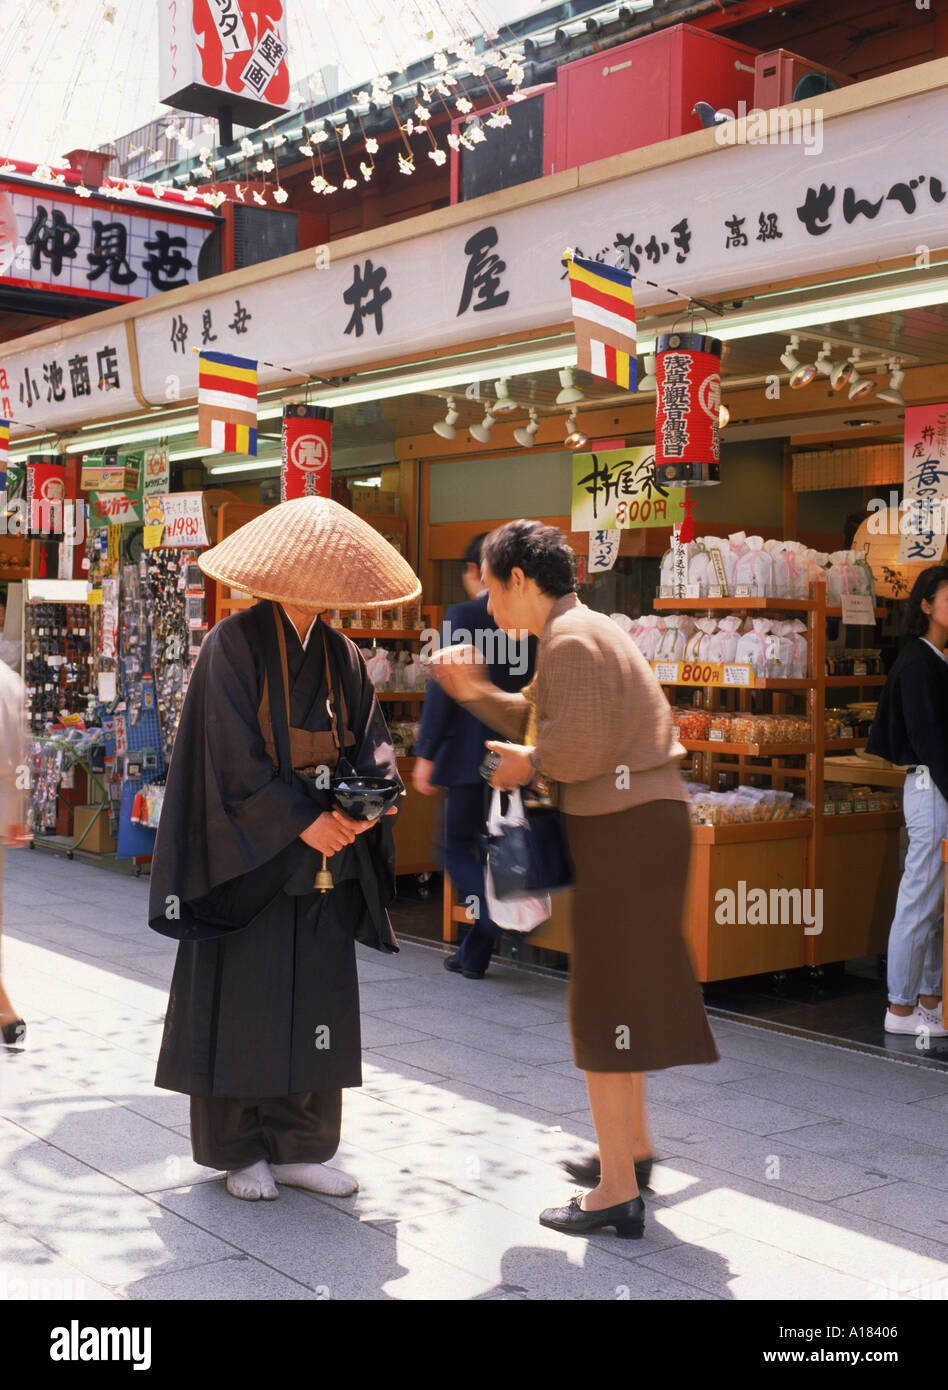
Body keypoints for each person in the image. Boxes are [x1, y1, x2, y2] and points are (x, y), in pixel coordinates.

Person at [430, 520, 718, 1240]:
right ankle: (634, 1152)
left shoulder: (572, 639)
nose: (491, 609)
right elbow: (539, 719)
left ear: (521, 581)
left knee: (600, 1004)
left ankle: (617, 1190)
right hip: (638, 825)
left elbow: (569, 747)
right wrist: (472, 692)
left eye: (493, 590)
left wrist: (524, 763)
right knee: (621, 994)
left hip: (626, 831)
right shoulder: (580, 630)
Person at [149, 496, 420, 1201]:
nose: (317, 591)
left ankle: (303, 1142)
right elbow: (228, 755)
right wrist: (303, 820)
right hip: (251, 856)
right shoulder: (229, 646)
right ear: (275, 577)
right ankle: (240, 1149)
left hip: (325, 857)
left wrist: (364, 808)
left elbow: (374, 744)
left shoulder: (342, 655)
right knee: (248, 996)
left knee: (317, 997)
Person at [413, 533, 536, 979]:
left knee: (453, 846)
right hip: (514, 752)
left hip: (469, 756)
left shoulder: (464, 614)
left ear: (476, 572)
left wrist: (426, 752)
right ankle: (474, 953)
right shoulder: (530, 619)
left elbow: (444, 684)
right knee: (497, 844)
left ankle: (487, 916)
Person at [867, 564, 948, 1040]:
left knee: (935, 902)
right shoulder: (919, 662)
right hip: (930, 788)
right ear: (925, 606)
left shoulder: (933, 657)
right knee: (921, 899)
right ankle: (900, 1007)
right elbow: (930, 740)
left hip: (932, 786)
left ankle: (929, 1002)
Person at [0, 653, 28, 1047]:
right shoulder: (10, 682)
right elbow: (18, 758)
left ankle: (7, 1013)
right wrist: (16, 815)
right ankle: (6, 1012)